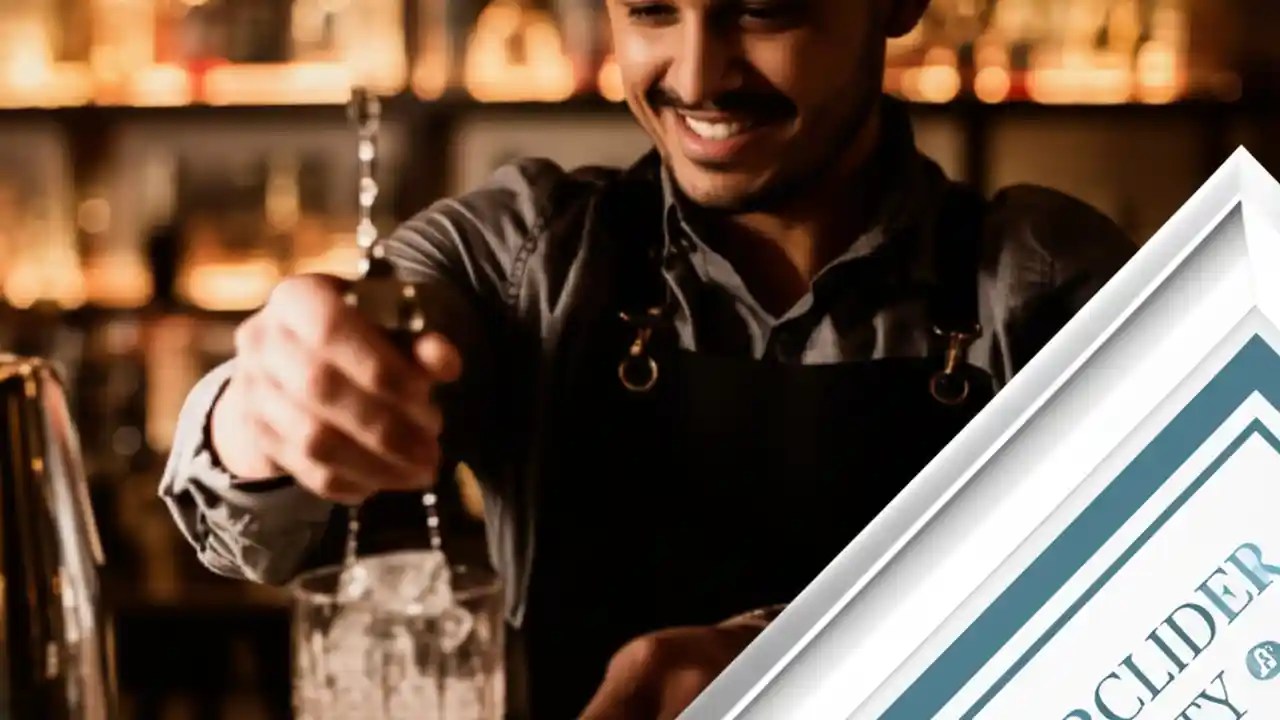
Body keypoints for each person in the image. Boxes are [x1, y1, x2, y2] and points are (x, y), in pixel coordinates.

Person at [159, 0, 1137, 717]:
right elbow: (269, 490)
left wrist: (789, 664)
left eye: (762, 10)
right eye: (651, 10)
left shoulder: (1041, 284)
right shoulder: (526, 253)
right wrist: (269, 404)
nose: (697, 74)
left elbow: (1176, 619)